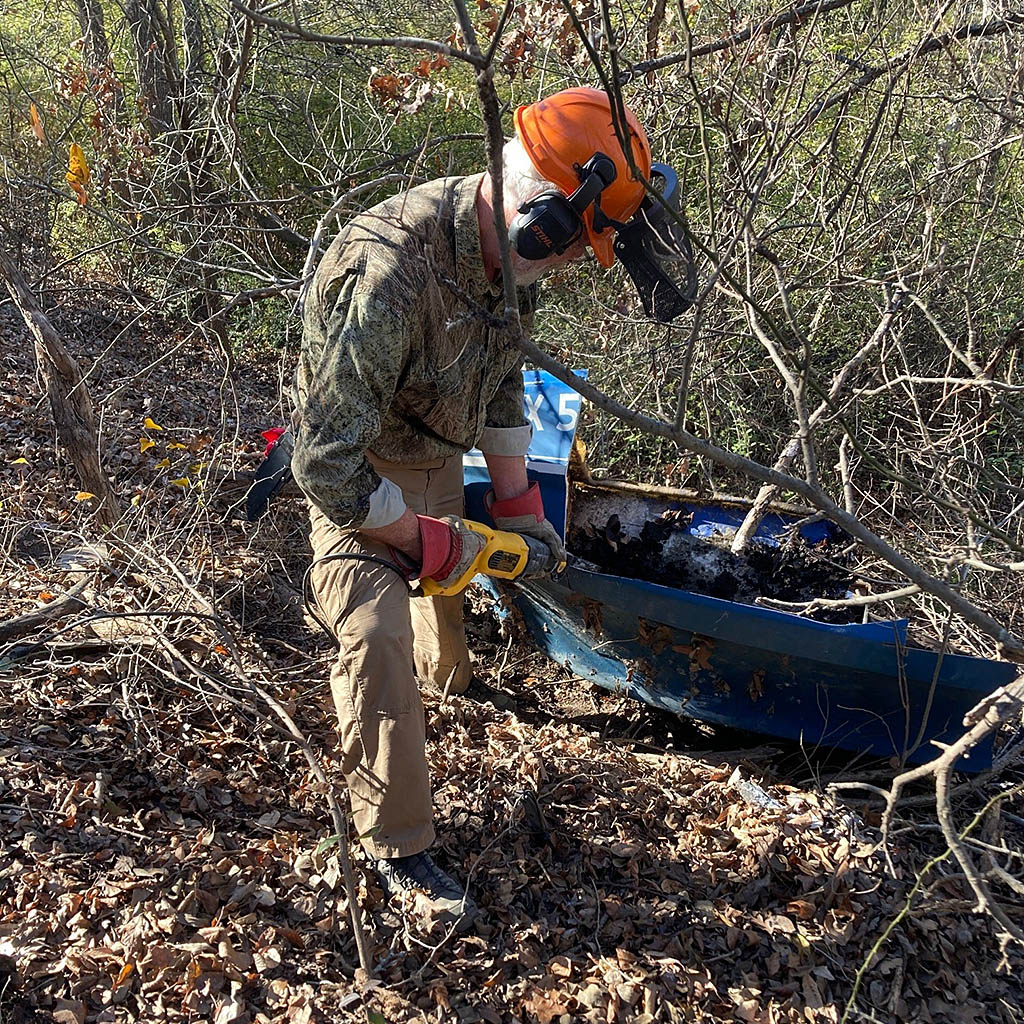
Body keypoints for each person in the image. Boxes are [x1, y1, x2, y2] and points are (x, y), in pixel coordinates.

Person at [292, 87, 653, 919]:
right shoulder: (385, 269)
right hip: (355, 475)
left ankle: (449, 687)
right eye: (570, 250)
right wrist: (413, 535)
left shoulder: (510, 263)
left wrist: (521, 509)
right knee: (378, 636)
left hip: (438, 460)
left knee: (446, 633)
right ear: (541, 217)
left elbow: (499, 385)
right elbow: (324, 464)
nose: (570, 266)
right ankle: (400, 846)